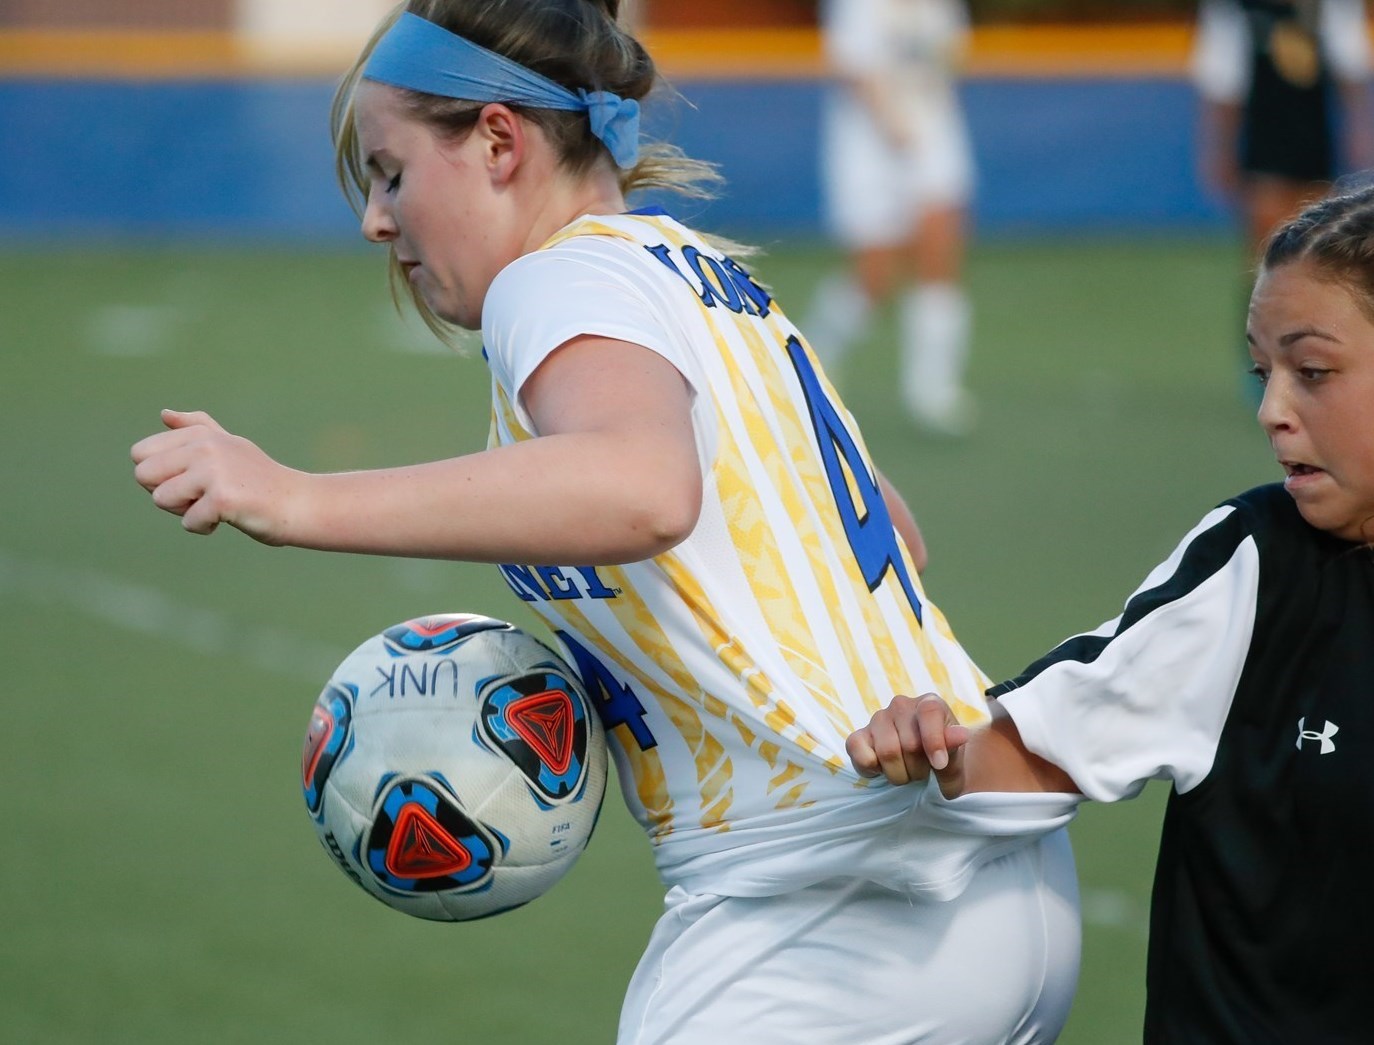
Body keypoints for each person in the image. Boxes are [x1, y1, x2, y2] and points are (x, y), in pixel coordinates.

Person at [131, 1, 1080, 1040]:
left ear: (499, 142)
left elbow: (642, 489)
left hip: (826, 897)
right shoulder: (708, 279)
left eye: (391, 174)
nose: (377, 221)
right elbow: (891, 531)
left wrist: (294, 497)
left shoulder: (555, 279)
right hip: (998, 865)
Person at [849, 181, 1374, 1042]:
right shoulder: (1257, 568)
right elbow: (1019, 751)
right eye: (1263, 372)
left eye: (1312, 372)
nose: (1273, 411)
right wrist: (927, 743)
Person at [805, 0, 977, 436]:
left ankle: (933, 390)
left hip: (933, 135)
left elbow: (949, 58)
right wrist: (891, 122)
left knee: (940, 252)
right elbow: (853, 69)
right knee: (874, 278)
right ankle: (811, 357)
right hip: (868, 146)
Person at [1193, 0, 1373, 261]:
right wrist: (1220, 148)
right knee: (1268, 242)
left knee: (1317, 242)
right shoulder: (1236, 9)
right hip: (1264, 142)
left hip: (1315, 139)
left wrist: (1358, 129)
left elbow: (1349, 67)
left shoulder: (1327, 6)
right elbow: (1223, 84)